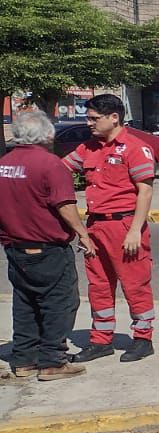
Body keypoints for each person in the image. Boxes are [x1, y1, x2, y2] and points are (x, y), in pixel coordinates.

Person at [0, 110, 96, 380]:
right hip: (47, 247)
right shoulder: (50, 164)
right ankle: (53, 360)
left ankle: (24, 360)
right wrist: (83, 234)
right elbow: (65, 205)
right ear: (46, 134)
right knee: (59, 302)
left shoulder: (4, 163)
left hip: (15, 248)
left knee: (25, 302)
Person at [62, 94, 157, 363]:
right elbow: (59, 169)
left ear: (114, 117)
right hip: (96, 226)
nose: (88, 123)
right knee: (99, 285)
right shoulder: (88, 148)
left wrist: (135, 230)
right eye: (88, 118)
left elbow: (145, 191)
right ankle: (101, 340)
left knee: (135, 284)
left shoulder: (135, 148)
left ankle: (143, 339)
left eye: (94, 118)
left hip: (124, 225)